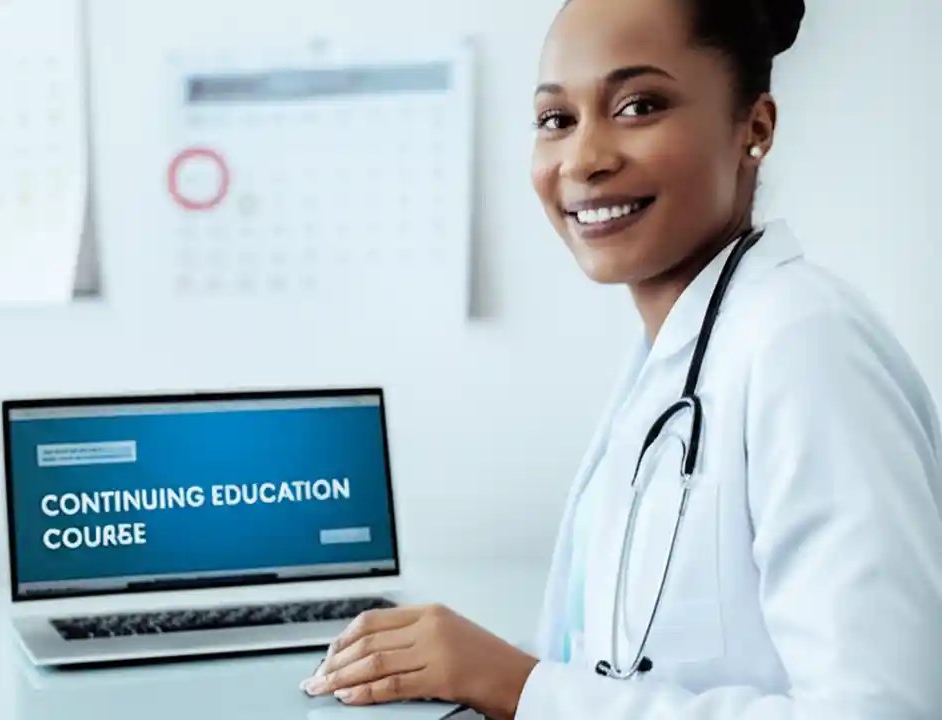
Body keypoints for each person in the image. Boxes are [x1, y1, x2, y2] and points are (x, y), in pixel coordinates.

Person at [298, 0, 942, 717]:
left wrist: (516, 683)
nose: (584, 158)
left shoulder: (806, 347)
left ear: (755, 128)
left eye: (639, 106)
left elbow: (878, 710)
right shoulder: (672, 358)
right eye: (556, 119)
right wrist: (478, 671)